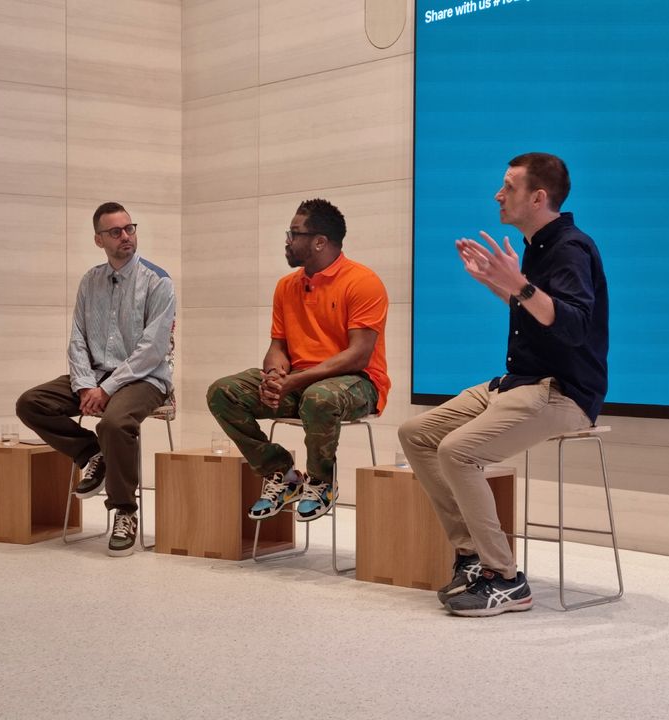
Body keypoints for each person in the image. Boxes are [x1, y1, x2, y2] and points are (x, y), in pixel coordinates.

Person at [398, 153, 608, 617]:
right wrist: (498, 284)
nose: (498, 195)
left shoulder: (571, 248)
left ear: (538, 197)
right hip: (520, 383)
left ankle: (505, 578)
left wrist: (520, 287)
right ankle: (473, 554)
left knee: (458, 451)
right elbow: (535, 314)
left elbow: (574, 326)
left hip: (563, 392)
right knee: (416, 434)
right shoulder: (536, 246)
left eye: (509, 186)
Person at [206, 198, 389, 523]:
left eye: (294, 233)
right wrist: (274, 375)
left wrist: (293, 381)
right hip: (299, 382)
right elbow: (278, 346)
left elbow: (358, 355)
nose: (287, 241)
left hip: (357, 383)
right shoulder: (286, 286)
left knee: (319, 398)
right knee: (223, 392)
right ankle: (282, 474)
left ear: (319, 241)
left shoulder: (362, 282)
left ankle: (321, 481)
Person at [15, 202, 174, 557]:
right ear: (99, 240)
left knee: (115, 423)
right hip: (96, 377)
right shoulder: (90, 280)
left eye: (130, 228)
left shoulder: (157, 281)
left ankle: (124, 511)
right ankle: (92, 453)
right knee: (31, 403)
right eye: (115, 232)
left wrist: (106, 388)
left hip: (145, 379)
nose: (125, 236)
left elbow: (152, 349)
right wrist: (86, 385)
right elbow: (78, 338)